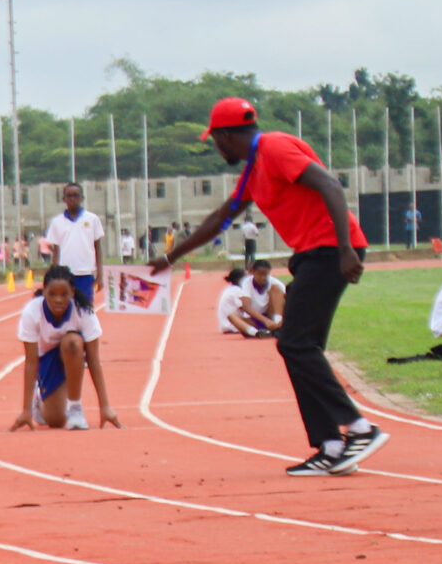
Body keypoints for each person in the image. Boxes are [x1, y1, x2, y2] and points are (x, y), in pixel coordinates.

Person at [152, 97, 389, 477]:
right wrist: (172, 256)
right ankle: (329, 445)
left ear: (227, 136)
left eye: (215, 140)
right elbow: (220, 217)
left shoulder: (275, 148)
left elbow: (329, 184)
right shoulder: (254, 170)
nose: (216, 147)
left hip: (329, 249)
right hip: (314, 252)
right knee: (299, 348)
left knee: (295, 343)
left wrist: (346, 249)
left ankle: (360, 428)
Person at [11, 263, 120, 430]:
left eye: (64, 294)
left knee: (73, 343)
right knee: (55, 421)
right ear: (44, 292)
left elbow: (93, 361)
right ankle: (39, 401)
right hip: (46, 359)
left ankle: (75, 408)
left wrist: (105, 406)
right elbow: (31, 361)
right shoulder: (32, 312)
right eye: (52, 294)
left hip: (72, 353)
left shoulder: (84, 312)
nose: (58, 300)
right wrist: (25, 410)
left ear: (73, 293)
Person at [44, 183, 104, 304]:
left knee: (85, 308)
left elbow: (97, 248)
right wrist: (53, 274)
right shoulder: (57, 222)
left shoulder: (92, 219)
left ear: (82, 198)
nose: (72, 199)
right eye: (69, 196)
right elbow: (56, 250)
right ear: (63, 199)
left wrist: (100, 274)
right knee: (66, 308)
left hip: (86, 272)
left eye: (76, 195)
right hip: (65, 274)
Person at [217, 266, 269, 337]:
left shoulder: (229, 289)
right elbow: (246, 308)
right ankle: (256, 332)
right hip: (232, 325)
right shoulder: (237, 291)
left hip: (225, 325)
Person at [245, 258, 286, 331]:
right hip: (256, 318)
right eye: (259, 274)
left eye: (265, 274)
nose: (263, 278)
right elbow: (246, 307)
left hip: (271, 315)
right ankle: (255, 333)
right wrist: (266, 321)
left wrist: (277, 320)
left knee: (276, 289)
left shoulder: (276, 284)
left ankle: (277, 322)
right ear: (253, 273)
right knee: (233, 316)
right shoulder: (246, 282)